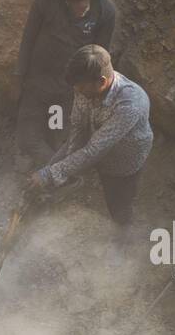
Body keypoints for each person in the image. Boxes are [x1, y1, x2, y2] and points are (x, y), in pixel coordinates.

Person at [13, 0, 119, 172]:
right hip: (37, 83)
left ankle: (52, 176)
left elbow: (99, 56)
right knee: (28, 136)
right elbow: (28, 38)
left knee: (59, 137)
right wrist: (19, 77)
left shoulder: (104, 12)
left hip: (68, 90)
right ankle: (46, 170)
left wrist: (91, 96)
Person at [27, 44, 152, 228]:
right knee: (64, 169)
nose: (78, 93)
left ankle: (125, 238)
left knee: (118, 204)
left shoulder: (130, 103)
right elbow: (78, 128)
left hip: (124, 160)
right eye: (76, 88)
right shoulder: (84, 86)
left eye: (82, 88)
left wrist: (49, 174)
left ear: (101, 82)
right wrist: (54, 169)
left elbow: (95, 149)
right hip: (97, 144)